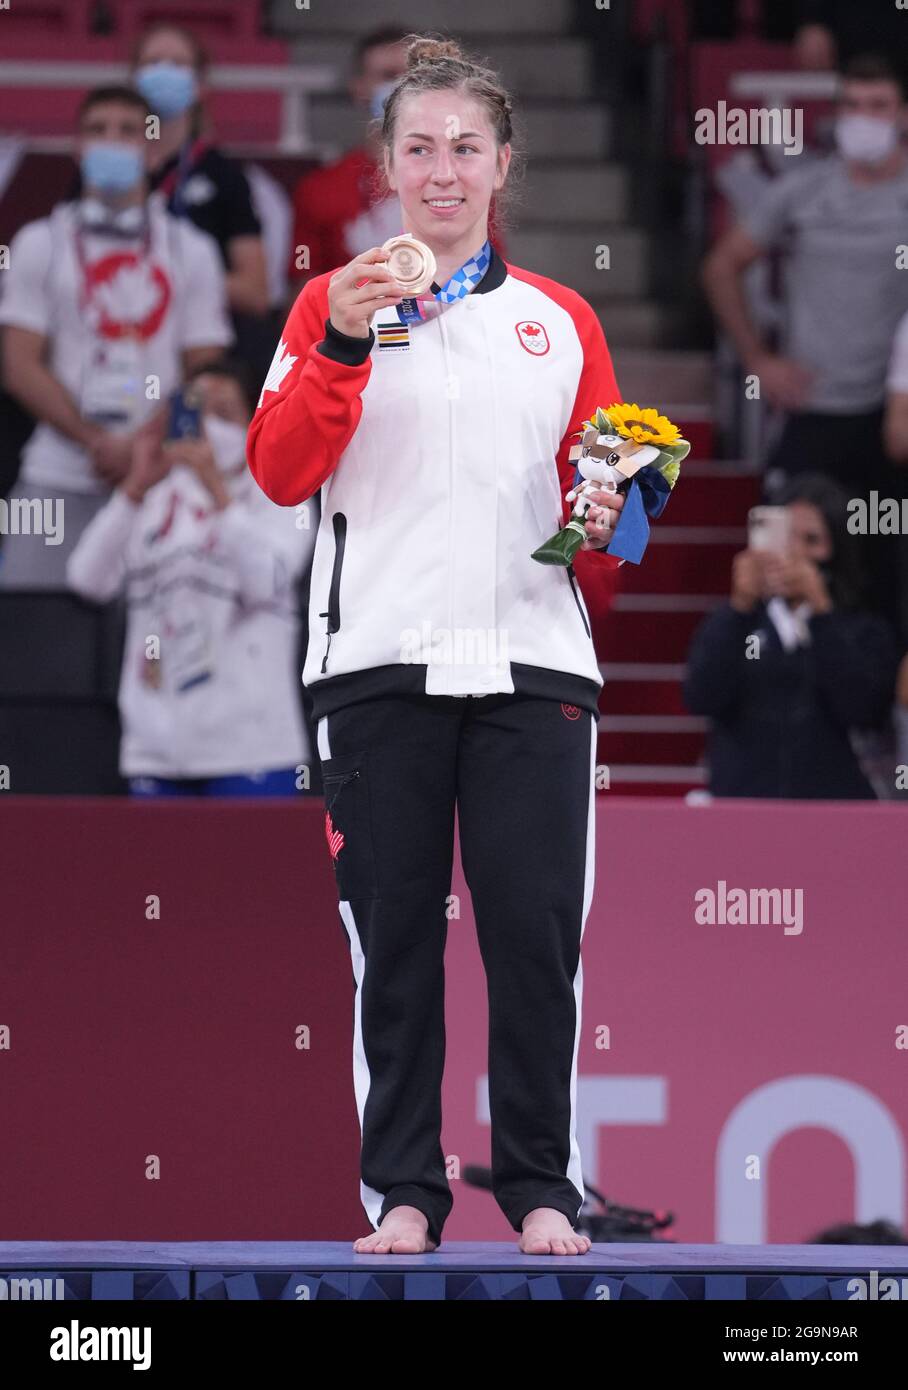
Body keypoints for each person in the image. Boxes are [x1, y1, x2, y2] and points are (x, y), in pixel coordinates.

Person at [247, 34, 627, 1257]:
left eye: (466, 147)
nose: (444, 170)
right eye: (420, 148)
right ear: (388, 167)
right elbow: (276, 470)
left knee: (533, 942)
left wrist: (609, 511)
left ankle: (540, 1190)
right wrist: (347, 343)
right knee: (392, 946)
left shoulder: (560, 319)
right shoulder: (328, 300)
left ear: (502, 164)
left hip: (534, 668)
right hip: (374, 664)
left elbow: (608, 504)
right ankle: (404, 1192)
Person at [701, 53, 908, 630]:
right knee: (774, 553)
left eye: (877, 106)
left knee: (888, 574)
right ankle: (773, 682)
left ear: (902, 115)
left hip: (891, 422)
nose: (862, 118)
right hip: (811, 410)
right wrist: (758, 359)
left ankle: (886, 710)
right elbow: (722, 267)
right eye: (851, 106)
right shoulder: (804, 189)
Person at [0, 85, 232, 586]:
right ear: (77, 147)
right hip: (55, 472)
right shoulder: (39, 242)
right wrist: (96, 441)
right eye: (97, 130)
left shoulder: (192, 251)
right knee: (29, 638)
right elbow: (18, 365)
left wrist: (141, 447)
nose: (112, 141)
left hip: (160, 475)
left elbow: (206, 374)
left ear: (153, 150)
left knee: (155, 649)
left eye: (129, 131)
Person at [66, 358, 315, 797]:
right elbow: (87, 579)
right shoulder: (155, 495)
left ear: (255, 419)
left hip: (251, 747)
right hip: (156, 748)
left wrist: (216, 490)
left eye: (224, 413)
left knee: (253, 869)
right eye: (197, 411)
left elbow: (265, 583)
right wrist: (135, 487)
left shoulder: (283, 494)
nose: (209, 428)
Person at [682, 474, 899, 799]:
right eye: (785, 538)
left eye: (811, 540)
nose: (794, 552)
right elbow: (702, 695)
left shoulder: (865, 632)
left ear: (836, 549)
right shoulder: (733, 622)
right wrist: (739, 607)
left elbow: (862, 710)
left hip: (835, 815)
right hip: (743, 810)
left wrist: (821, 612)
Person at [286, 26, 506, 303]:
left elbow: (489, 278)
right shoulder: (318, 189)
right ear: (359, 88)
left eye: (411, 76)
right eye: (388, 76)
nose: (401, 86)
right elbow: (305, 294)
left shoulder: (460, 182)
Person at [131, 23, 272, 373]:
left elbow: (255, 292)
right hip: (119, 341)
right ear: (133, 78)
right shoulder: (107, 168)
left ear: (200, 84)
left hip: (200, 353)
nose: (164, 71)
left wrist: (174, 273)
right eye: (154, 61)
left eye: (178, 63)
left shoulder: (224, 177)